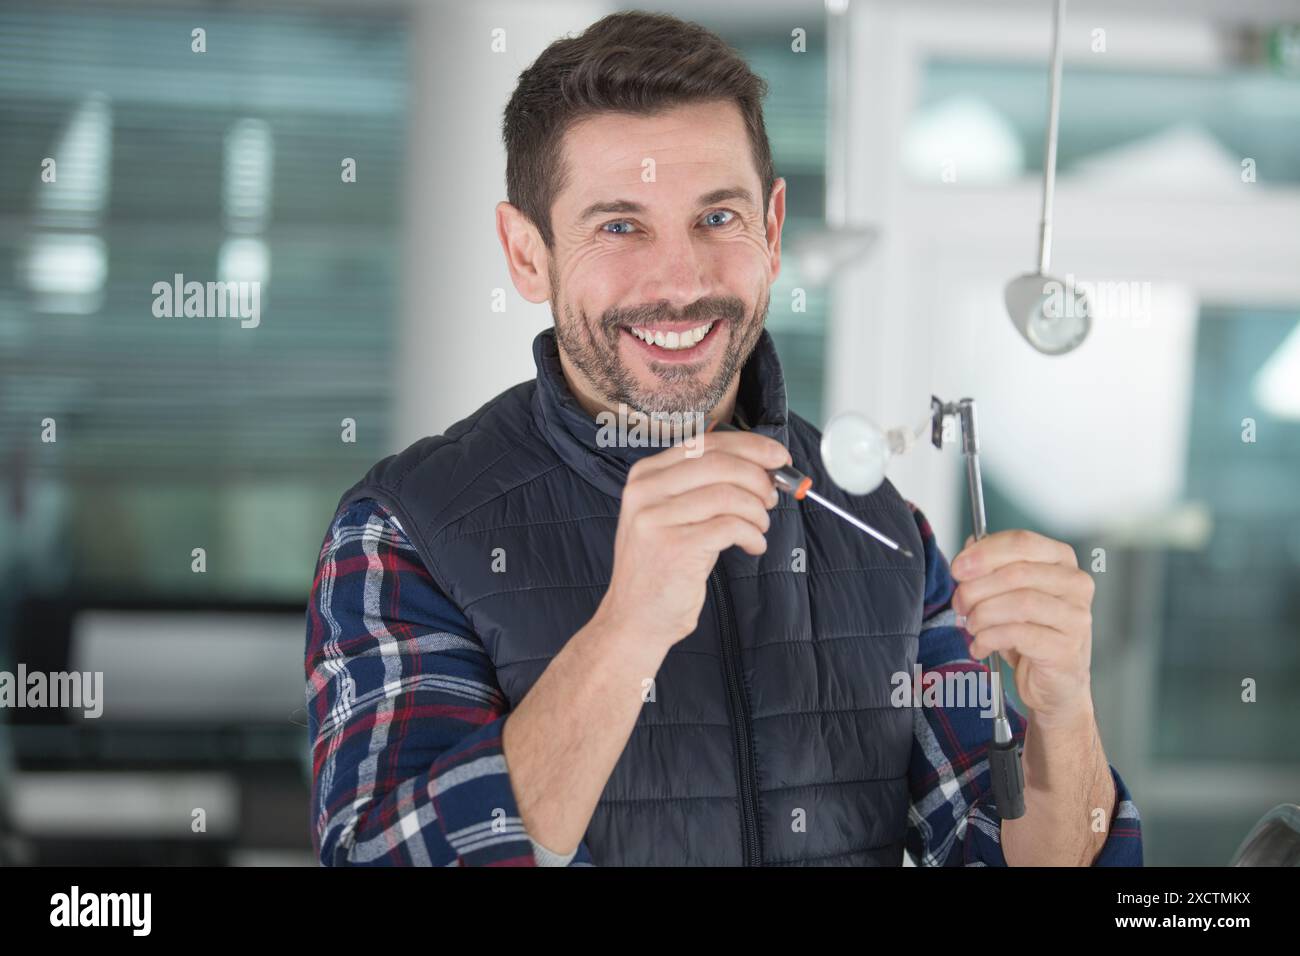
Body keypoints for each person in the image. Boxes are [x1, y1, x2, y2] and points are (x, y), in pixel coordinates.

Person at [304, 10, 1141, 867]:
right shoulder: (405, 530)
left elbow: (1005, 854)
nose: (681, 282)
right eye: (620, 226)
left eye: (718, 218)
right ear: (529, 255)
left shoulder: (884, 528)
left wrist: (1066, 707)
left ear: (772, 232)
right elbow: (382, 858)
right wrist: (627, 629)